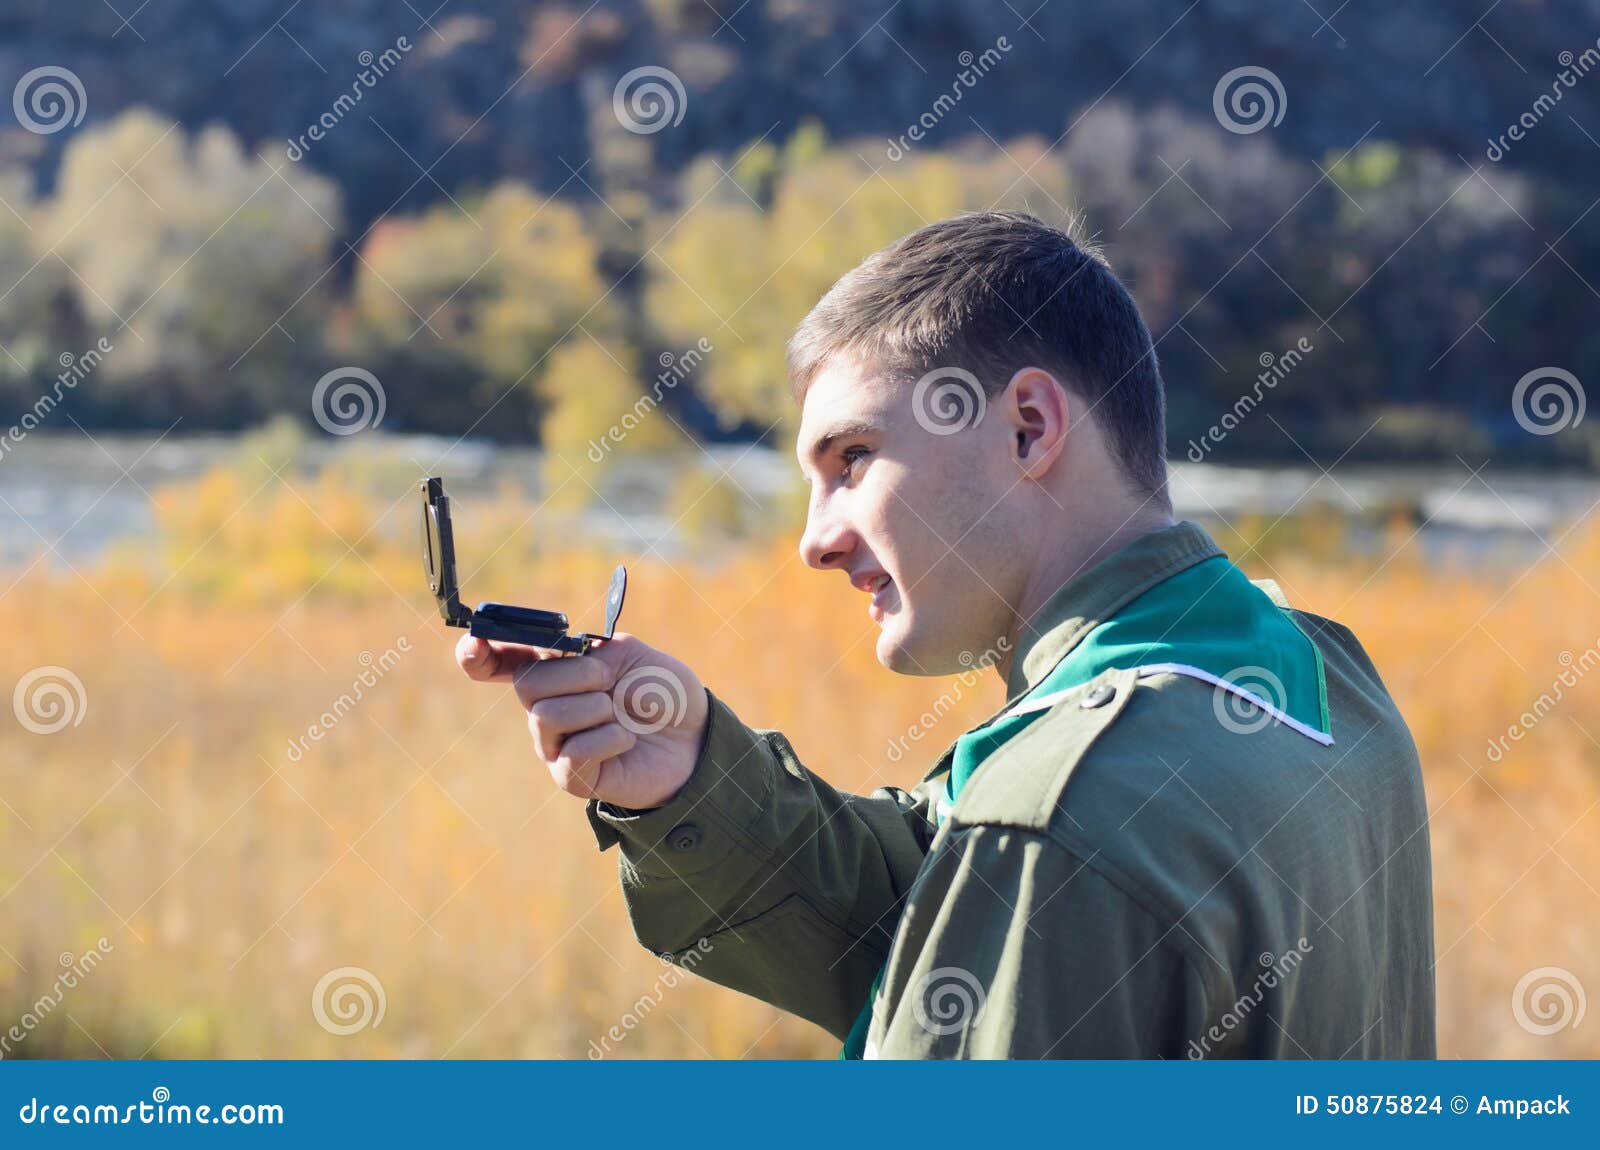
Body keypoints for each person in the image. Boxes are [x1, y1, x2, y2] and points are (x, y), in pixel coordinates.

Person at [453, 210, 1436, 1059]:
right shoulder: (1326, 683)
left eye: (853, 459)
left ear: (1026, 428)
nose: (814, 540)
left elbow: (1026, 866)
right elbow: (947, 903)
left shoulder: (1061, 808)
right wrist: (688, 776)